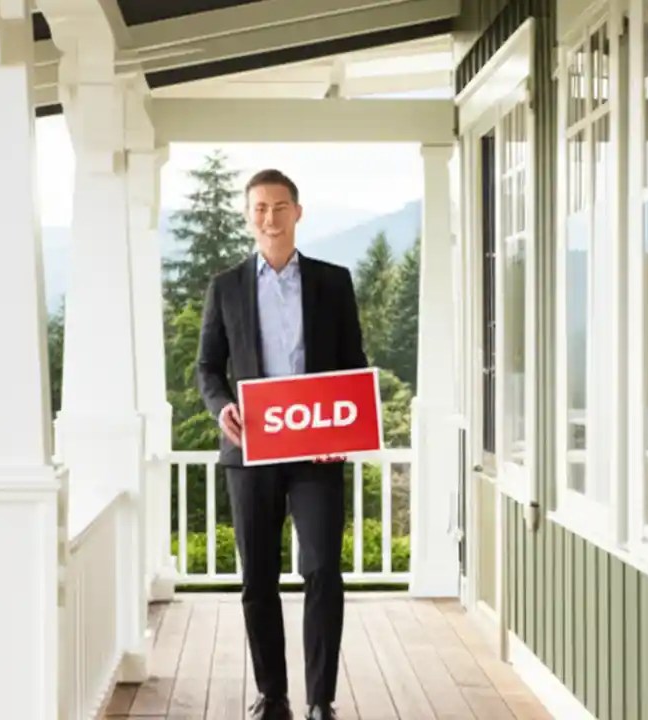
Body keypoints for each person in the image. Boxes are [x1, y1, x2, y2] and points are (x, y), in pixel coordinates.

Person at [196, 169, 368, 720]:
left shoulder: (332, 282)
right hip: (249, 454)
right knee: (258, 578)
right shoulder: (224, 288)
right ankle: (273, 696)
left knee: (321, 569)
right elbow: (206, 367)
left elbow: (351, 365)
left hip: (316, 453)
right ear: (249, 216)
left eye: (279, 206)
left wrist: (340, 432)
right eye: (259, 208)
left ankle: (321, 700)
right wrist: (220, 405)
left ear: (298, 212)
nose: (269, 217)